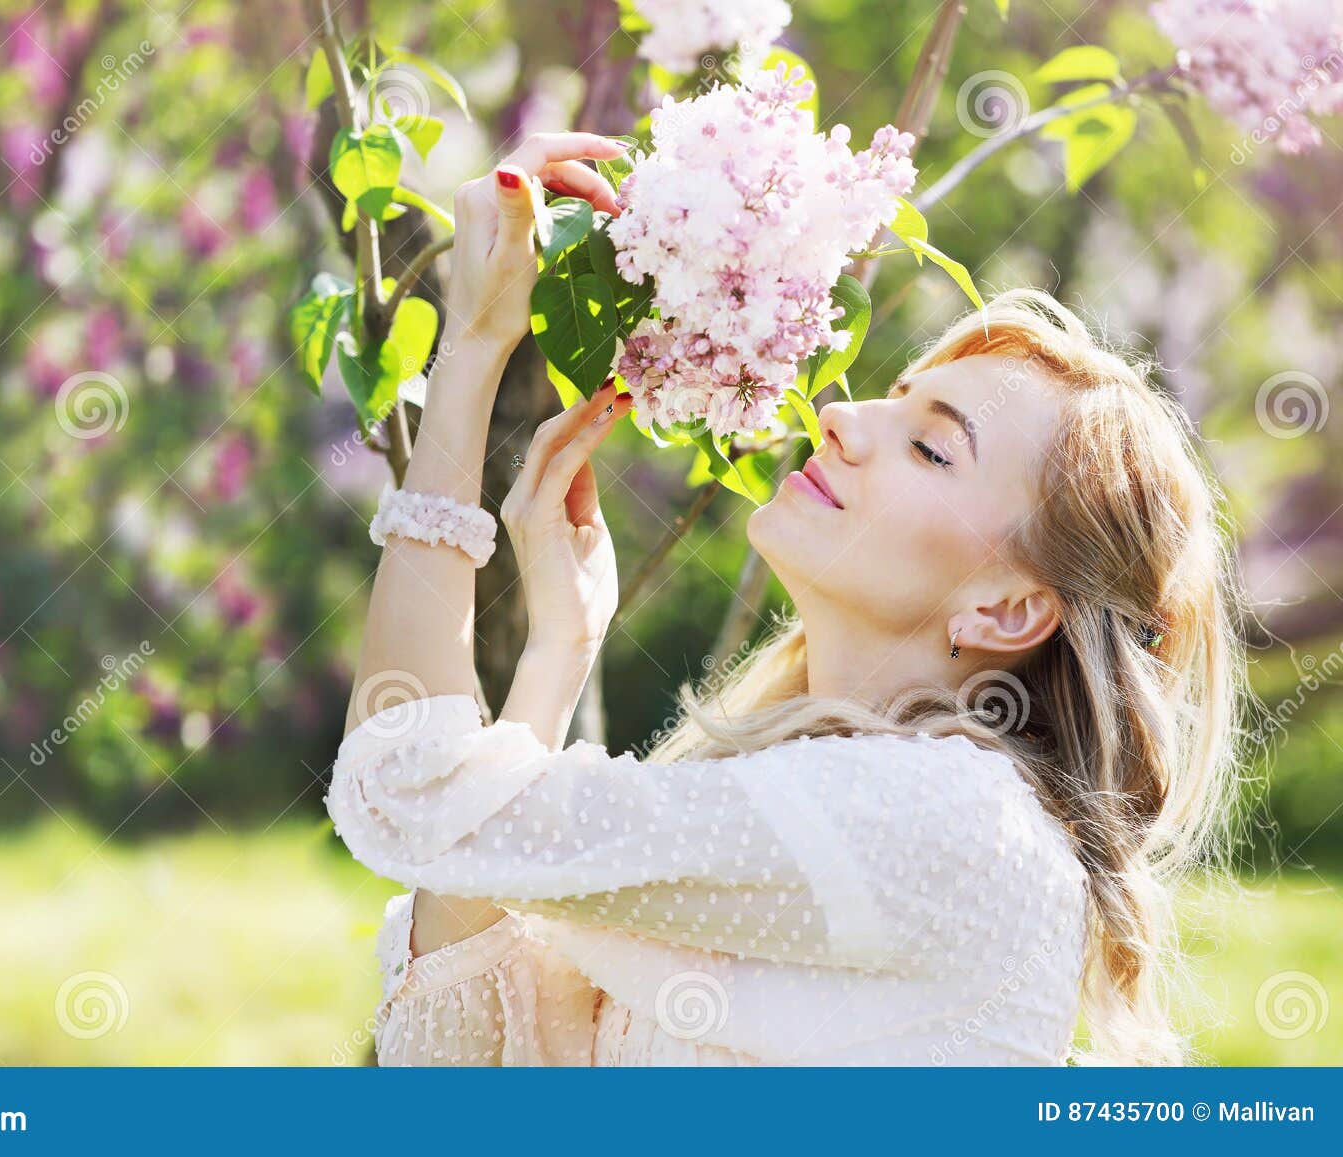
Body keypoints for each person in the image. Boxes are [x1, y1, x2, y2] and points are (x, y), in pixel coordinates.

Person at [324, 132, 1256, 1066]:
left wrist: (475, 347)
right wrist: (557, 654)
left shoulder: (957, 828)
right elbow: (464, 1060)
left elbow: (411, 789)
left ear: (1009, 611)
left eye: (933, 447)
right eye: (894, 397)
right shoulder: (788, 812)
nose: (842, 418)